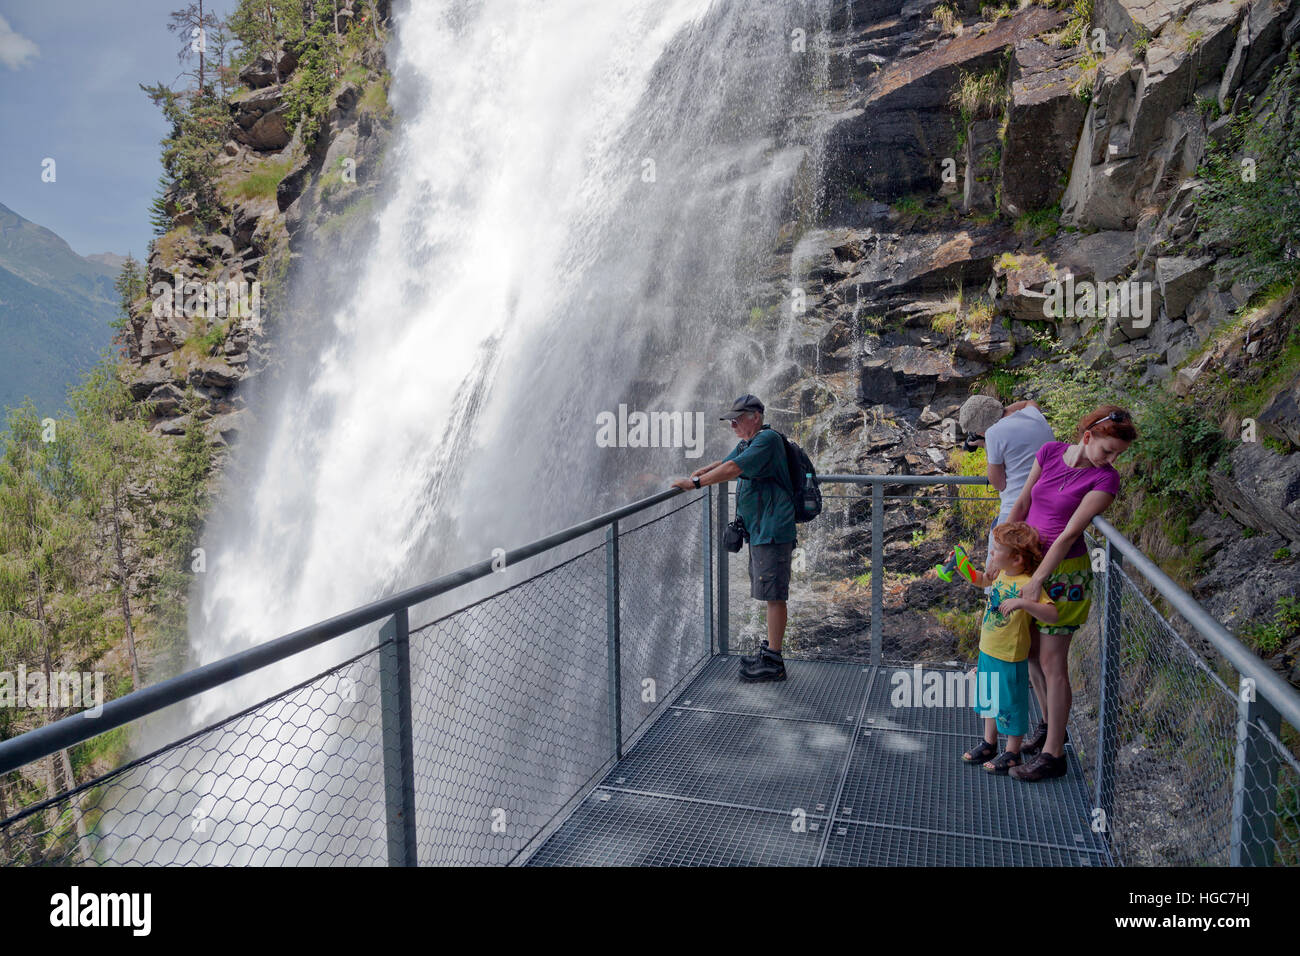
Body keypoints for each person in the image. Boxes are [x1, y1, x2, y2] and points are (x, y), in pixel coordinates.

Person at [1004, 405, 1138, 781]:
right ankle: (1049, 727)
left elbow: (1068, 535)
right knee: (1028, 652)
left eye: (1117, 455)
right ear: (1088, 436)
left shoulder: (1105, 481)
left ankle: (1054, 755)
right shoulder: (1048, 453)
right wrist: (1004, 552)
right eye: (1107, 450)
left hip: (1064, 576)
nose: (1111, 460)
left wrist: (1036, 580)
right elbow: (1023, 503)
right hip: (1027, 563)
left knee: (1052, 662)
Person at [671, 394, 795, 682]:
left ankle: (774, 662)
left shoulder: (767, 440)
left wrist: (695, 483)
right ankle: (770, 652)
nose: (732, 425)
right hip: (762, 529)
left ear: (755, 417)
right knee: (769, 591)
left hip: (773, 530)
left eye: (737, 419)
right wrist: (706, 469)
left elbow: (734, 468)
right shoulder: (749, 442)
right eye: (730, 420)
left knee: (775, 595)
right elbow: (727, 462)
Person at [948, 522, 1058, 774]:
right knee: (988, 699)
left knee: (1011, 703)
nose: (991, 554)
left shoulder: (1029, 584)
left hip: (1010, 656)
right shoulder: (1001, 573)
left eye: (996, 550)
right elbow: (980, 579)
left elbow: (1052, 614)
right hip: (988, 649)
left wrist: (1022, 603)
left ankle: (1012, 753)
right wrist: (960, 562)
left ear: (1017, 558)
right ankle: (989, 743)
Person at [957, 395, 1055, 580]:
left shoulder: (994, 433)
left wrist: (987, 445)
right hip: (1046, 505)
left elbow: (998, 483)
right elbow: (1028, 402)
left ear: (982, 428)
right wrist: (998, 412)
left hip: (1014, 509)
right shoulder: (1033, 413)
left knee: (995, 574)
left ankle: (995, 605)